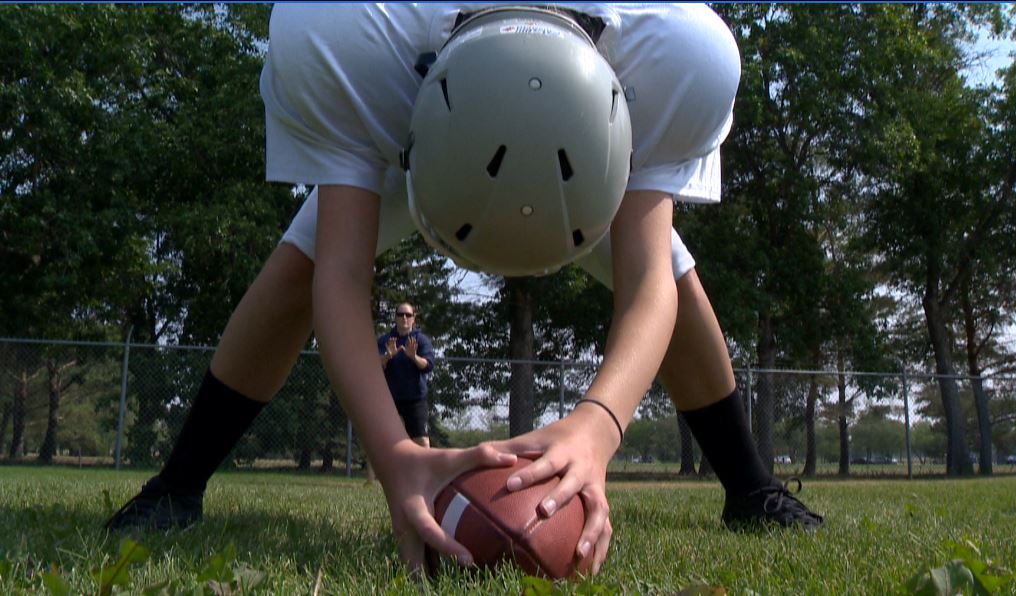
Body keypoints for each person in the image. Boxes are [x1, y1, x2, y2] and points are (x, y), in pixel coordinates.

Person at [104, 4, 821, 576]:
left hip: (590, 171)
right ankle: (177, 484)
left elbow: (645, 283)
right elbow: (341, 275)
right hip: (403, 140)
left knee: (670, 273)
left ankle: (751, 489)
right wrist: (394, 457)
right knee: (300, 264)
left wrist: (597, 426)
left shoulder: (679, 53)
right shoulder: (348, 37)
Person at [378, 303, 435, 448]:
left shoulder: (421, 340)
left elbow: (428, 366)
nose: (404, 318)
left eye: (408, 315)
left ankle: (425, 471)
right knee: (378, 441)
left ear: (413, 318)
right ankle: (376, 472)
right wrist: (387, 356)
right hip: (389, 399)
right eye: (400, 314)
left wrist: (414, 357)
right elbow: (373, 367)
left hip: (415, 399)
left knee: (422, 441)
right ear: (395, 317)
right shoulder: (385, 340)